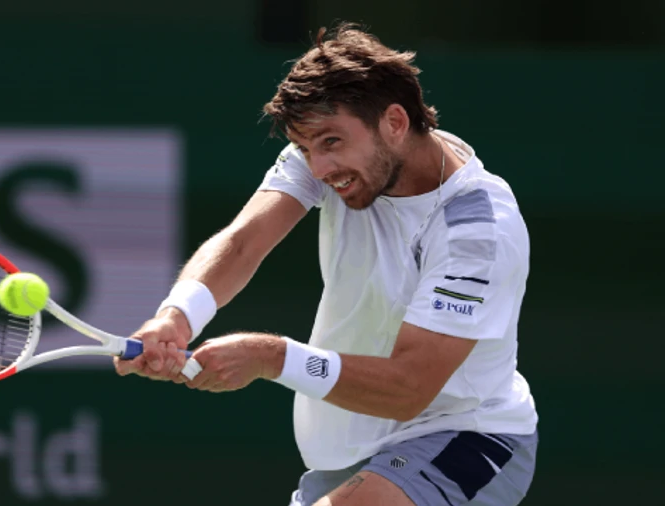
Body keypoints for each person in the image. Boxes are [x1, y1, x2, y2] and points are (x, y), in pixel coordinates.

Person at [114, 22, 538, 506]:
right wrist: (177, 316)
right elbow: (242, 243)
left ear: (395, 123)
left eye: (331, 143)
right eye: (306, 147)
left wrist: (270, 357)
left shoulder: (477, 234)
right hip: (347, 449)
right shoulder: (332, 159)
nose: (317, 168)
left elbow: (408, 387)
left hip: (462, 436)